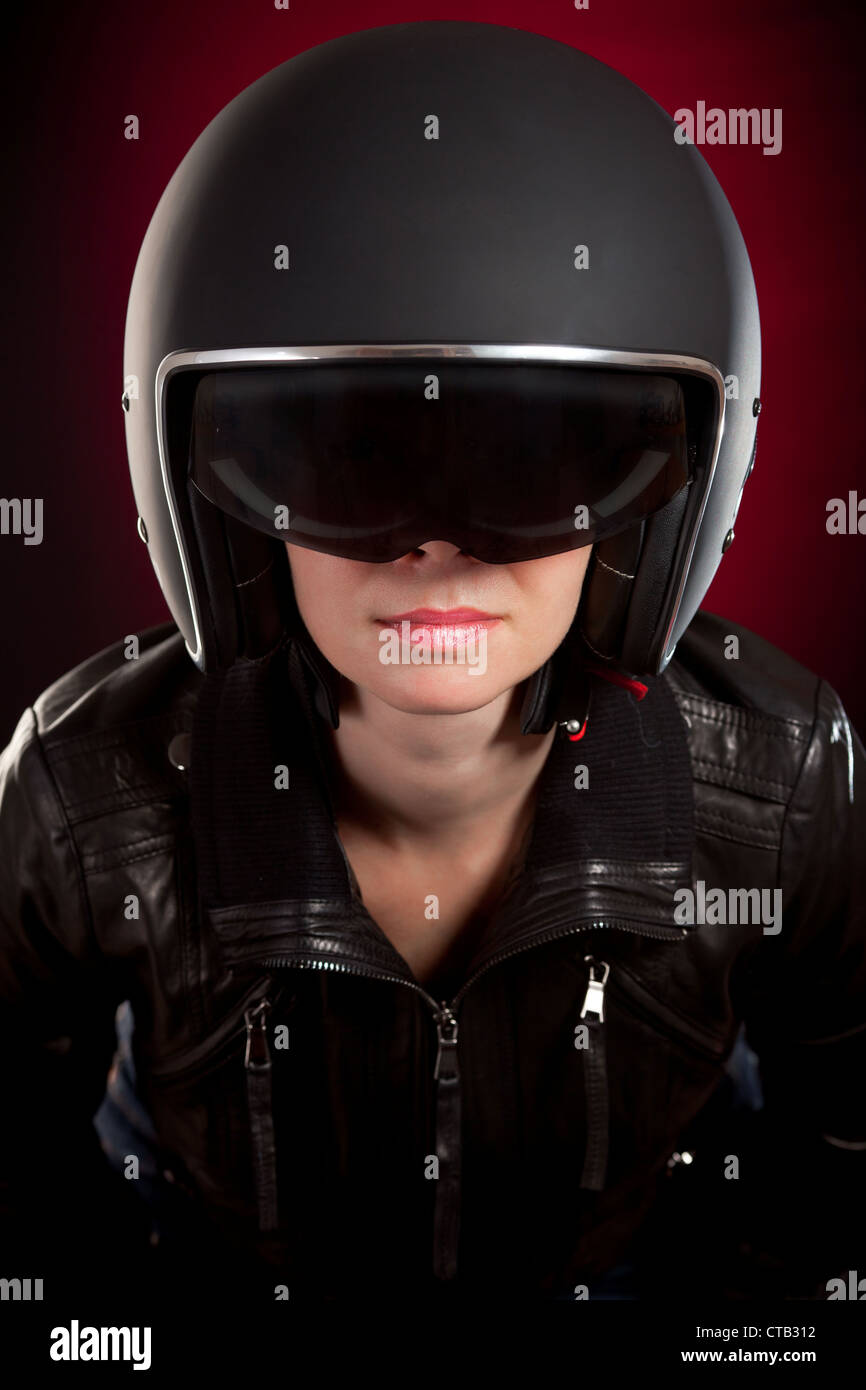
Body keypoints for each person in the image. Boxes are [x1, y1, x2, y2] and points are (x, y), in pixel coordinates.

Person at [1, 21, 864, 1310]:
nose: (438, 555)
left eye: (535, 464)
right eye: (345, 458)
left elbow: (841, 1149)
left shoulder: (786, 783)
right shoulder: (83, 796)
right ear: (228, 507)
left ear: (652, 510)